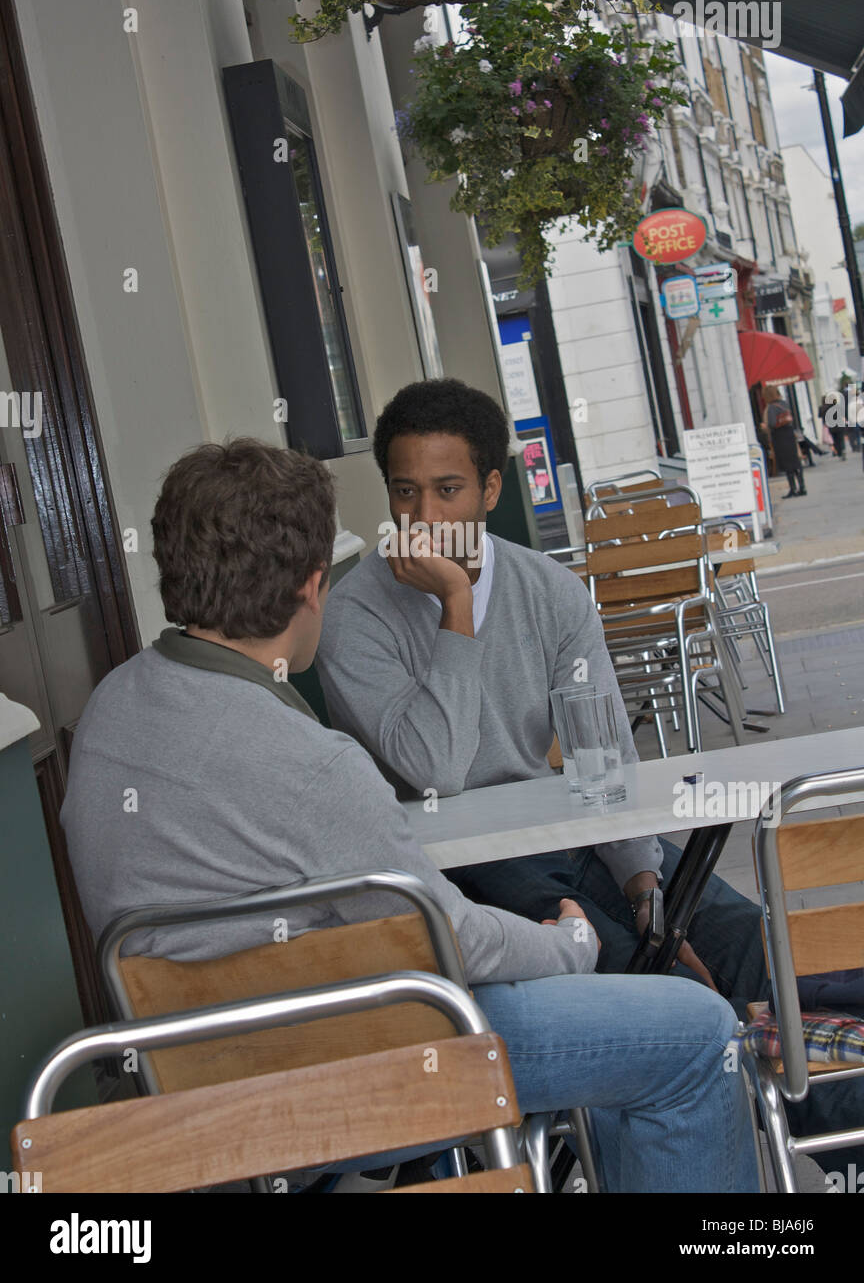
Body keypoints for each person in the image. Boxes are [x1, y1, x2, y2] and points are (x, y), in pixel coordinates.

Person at [59, 437, 757, 1194]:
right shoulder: (311, 763)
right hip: (349, 1065)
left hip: (190, 1078)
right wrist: (569, 943)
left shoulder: (106, 714)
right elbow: (452, 940)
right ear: (313, 585)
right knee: (696, 1033)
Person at [316, 377, 864, 1177]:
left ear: (492, 488)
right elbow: (432, 766)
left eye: (447, 490)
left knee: (750, 945)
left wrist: (645, 883)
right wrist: (457, 607)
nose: (424, 519)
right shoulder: (352, 616)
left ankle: (826, 1131)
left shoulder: (550, 591)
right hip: (462, 872)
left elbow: (604, 753)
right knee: (662, 989)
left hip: (576, 834)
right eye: (405, 493)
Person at [762, 384, 805, 497]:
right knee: (795, 461)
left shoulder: (771, 407)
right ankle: (802, 486)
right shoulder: (784, 404)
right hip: (789, 433)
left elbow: (771, 423)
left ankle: (793, 488)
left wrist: (765, 427)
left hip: (779, 436)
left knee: (787, 463)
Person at [819, 391, 847, 461]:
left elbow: (821, 416)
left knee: (835, 440)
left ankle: (840, 453)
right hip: (839, 425)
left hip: (831, 426)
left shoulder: (824, 408)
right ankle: (843, 449)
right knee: (841, 439)